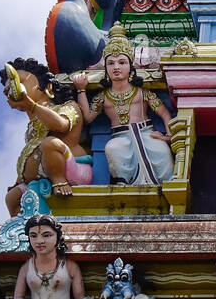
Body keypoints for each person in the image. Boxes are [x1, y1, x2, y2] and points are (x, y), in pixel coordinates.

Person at [71, 23, 175, 185]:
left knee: (160, 150)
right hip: (120, 136)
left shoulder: (141, 92)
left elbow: (165, 113)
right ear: (105, 68)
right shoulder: (104, 97)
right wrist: (81, 91)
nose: (116, 67)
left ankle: (169, 183)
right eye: (111, 63)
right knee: (113, 148)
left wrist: (168, 136)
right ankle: (123, 184)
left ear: (130, 67)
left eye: (122, 62)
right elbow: (88, 117)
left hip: (147, 133)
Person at [1, 57, 92, 214]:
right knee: (11, 198)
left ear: (48, 87)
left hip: (71, 170)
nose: (11, 87)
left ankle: (59, 182)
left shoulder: (68, 107)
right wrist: (20, 179)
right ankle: (25, 226)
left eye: (20, 80)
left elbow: (60, 126)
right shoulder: (31, 127)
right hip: (38, 181)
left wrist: (32, 106)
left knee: (50, 143)